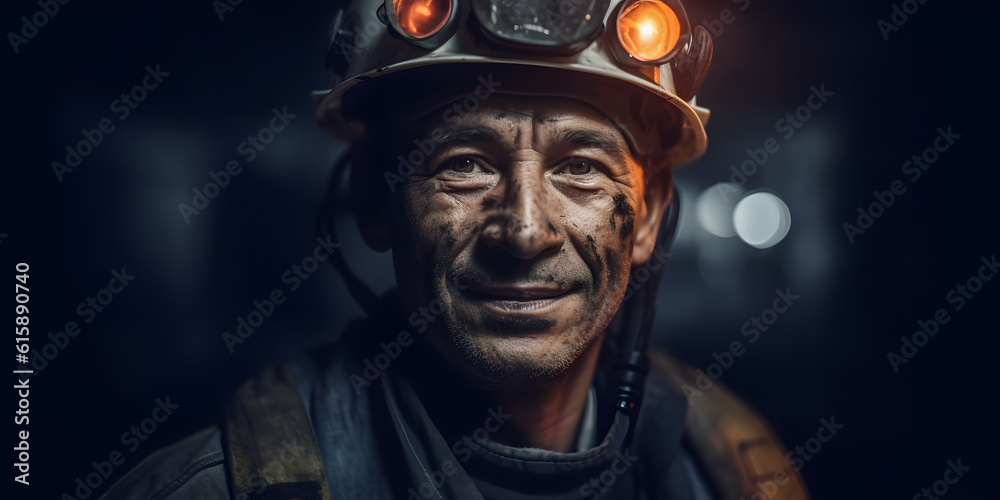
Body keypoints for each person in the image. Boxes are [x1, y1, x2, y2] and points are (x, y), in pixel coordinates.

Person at [101, 0, 809, 498]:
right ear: (376, 203)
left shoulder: (734, 468)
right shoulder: (209, 490)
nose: (526, 232)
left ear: (649, 214)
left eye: (581, 168)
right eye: (464, 164)